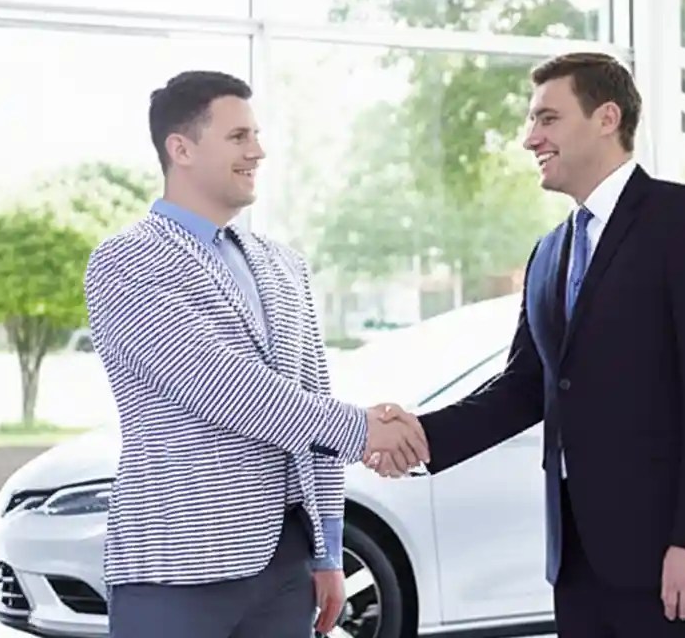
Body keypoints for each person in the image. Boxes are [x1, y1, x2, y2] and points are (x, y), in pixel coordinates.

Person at [372, 53, 685, 637]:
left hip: (673, 557)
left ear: (606, 118)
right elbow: (525, 389)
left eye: (547, 119)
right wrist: (422, 435)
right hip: (577, 562)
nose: (531, 139)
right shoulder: (550, 251)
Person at [83, 70, 427, 638]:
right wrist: (364, 429)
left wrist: (328, 551)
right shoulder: (125, 262)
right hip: (177, 566)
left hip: (285, 566)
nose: (258, 151)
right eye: (239, 136)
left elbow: (311, 394)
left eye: (257, 135)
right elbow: (221, 384)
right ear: (181, 148)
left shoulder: (284, 265)